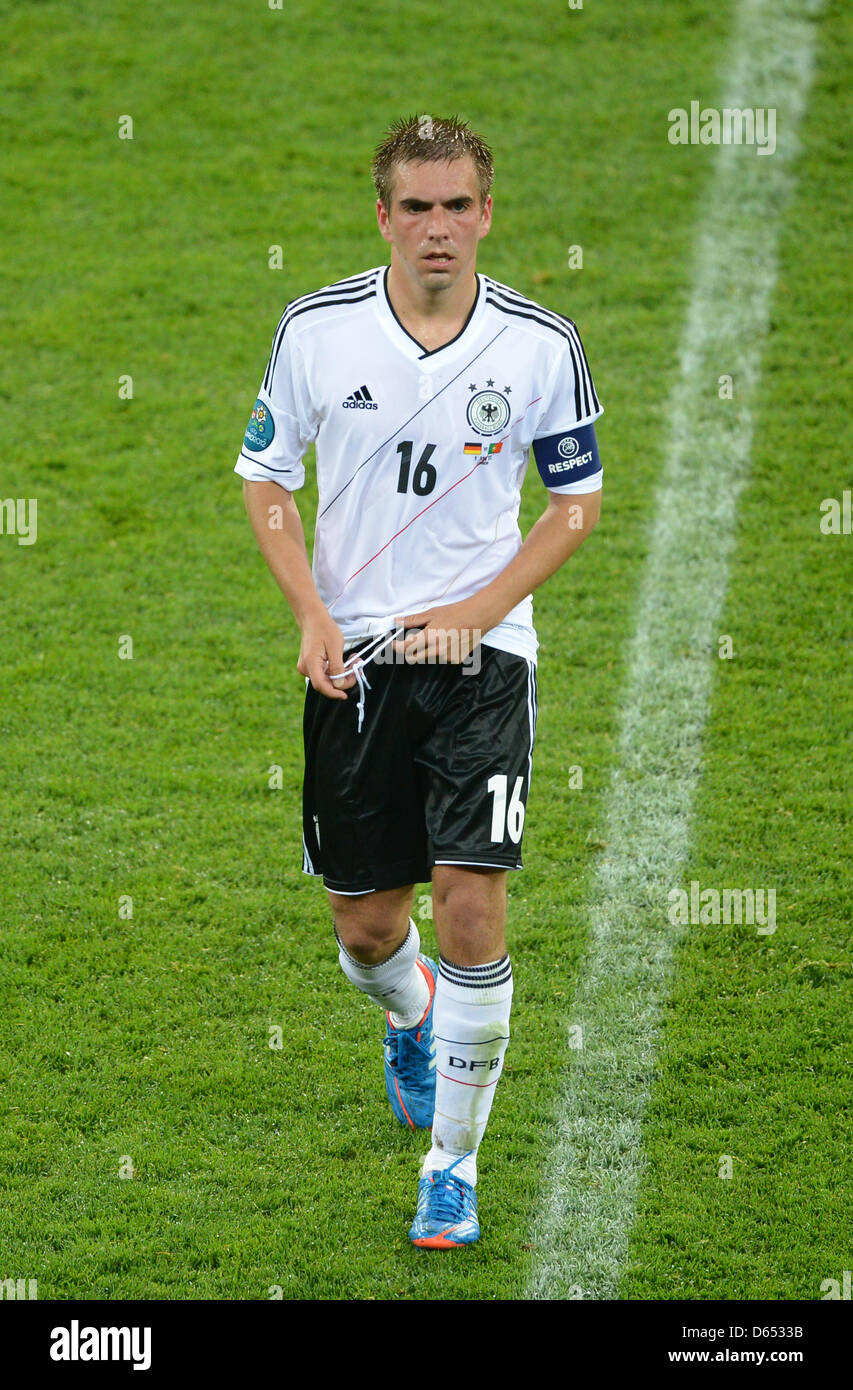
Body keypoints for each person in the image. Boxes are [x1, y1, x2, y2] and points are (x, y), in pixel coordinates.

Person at [235, 114, 603, 1248]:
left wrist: (479, 613)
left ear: (486, 214)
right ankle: (410, 1015)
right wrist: (309, 614)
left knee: (472, 905)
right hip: (355, 659)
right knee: (362, 923)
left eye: (457, 206)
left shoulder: (541, 345)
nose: (437, 227)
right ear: (382, 215)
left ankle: (453, 1164)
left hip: (485, 661)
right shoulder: (316, 332)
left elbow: (574, 505)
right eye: (416, 207)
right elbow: (264, 480)